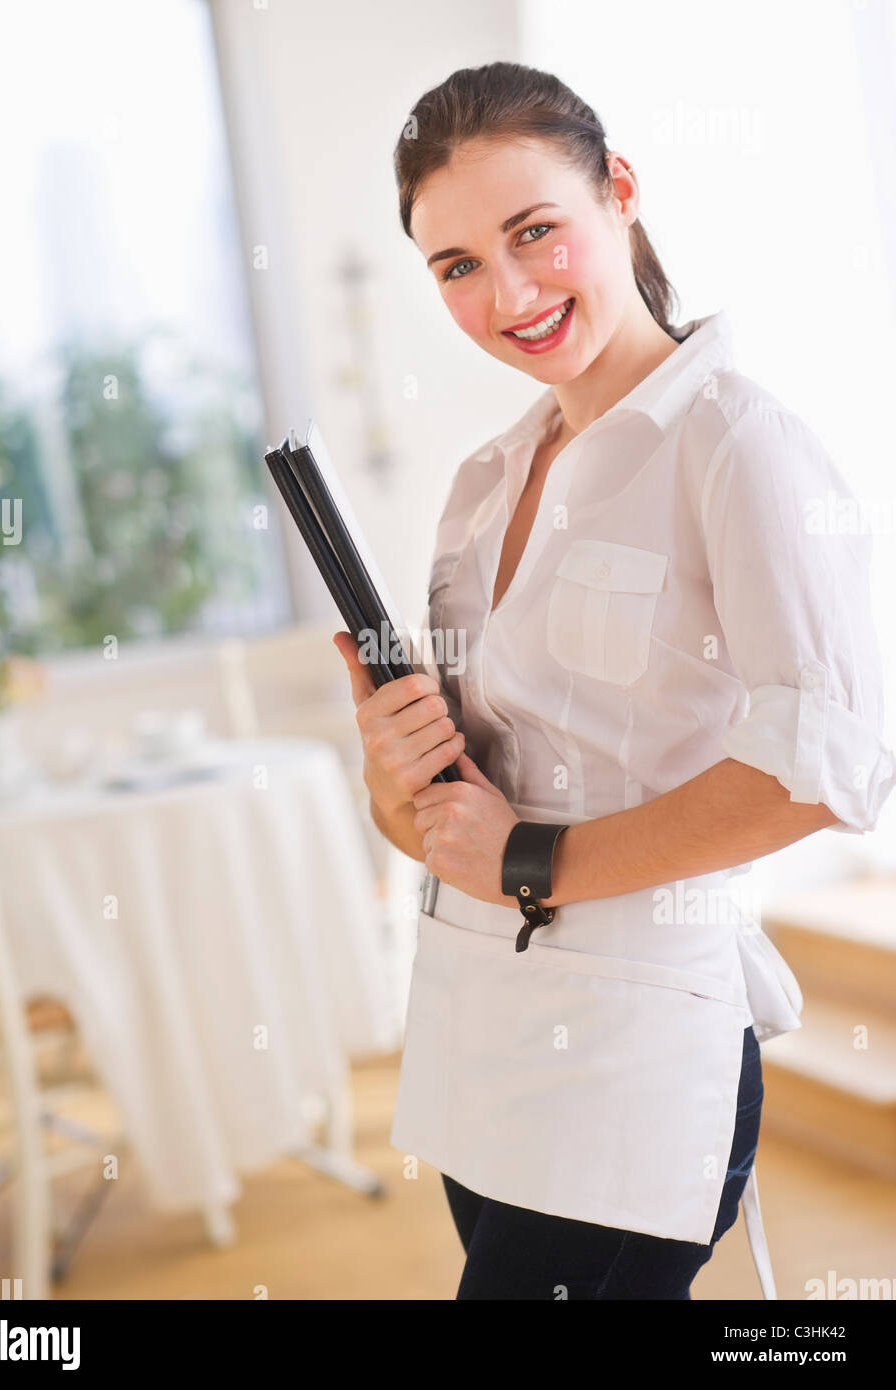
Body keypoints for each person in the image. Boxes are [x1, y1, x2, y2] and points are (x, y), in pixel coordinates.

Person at [333, 61, 896, 1300]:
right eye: (459, 265)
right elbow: (440, 824)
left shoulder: (738, 447)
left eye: (535, 232)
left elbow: (829, 773)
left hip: (637, 1055)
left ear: (619, 194)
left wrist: (529, 859)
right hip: (476, 1039)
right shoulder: (484, 485)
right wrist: (396, 767)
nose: (512, 292)